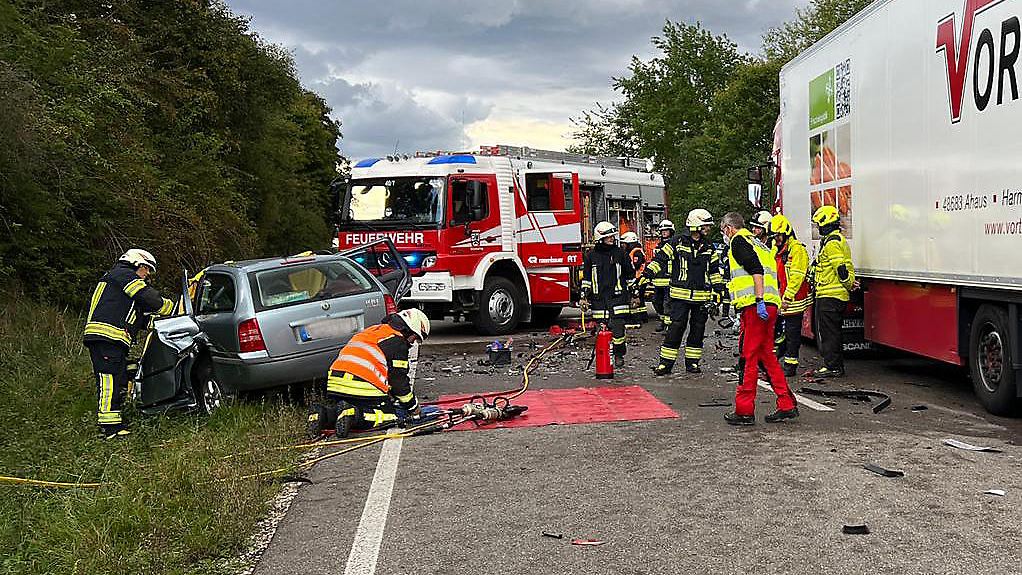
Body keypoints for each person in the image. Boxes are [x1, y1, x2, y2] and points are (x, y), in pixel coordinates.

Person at [84, 249, 175, 438]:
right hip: (107, 337)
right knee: (109, 379)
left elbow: (139, 318)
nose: (147, 275)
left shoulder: (120, 286)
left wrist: (165, 323)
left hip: (110, 339)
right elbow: (148, 298)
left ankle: (116, 420)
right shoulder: (123, 274)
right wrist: (172, 307)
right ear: (137, 263)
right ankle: (109, 428)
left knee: (122, 373)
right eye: (147, 269)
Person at [719, 212, 798, 425]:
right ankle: (786, 403)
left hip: (755, 307)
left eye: (723, 231)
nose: (724, 235)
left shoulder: (739, 241)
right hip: (770, 306)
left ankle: (744, 410)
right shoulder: (760, 244)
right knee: (767, 357)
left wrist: (759, 299)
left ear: (729, 228)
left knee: (748, 357)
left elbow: (755, 269)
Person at [310, 308, 437, 438]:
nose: (412, 343)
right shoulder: (397, 342)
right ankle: (354, 414)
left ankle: (323, 414)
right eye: (415, 338)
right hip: (360, 385)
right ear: (410, 329)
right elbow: (399, 383)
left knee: (342, 411)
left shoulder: (375, 331)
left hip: (335, 383)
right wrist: (413, 407)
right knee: (390, 416)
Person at [643, 209, 724, 375]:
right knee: (675, 329)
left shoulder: (708, 246)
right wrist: (647, 274)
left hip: (702, 298)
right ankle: (665, 364)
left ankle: (692, 363)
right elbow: (660, 260)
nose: (708, 228)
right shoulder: (676, 242)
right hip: (679, 297)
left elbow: (714, 271)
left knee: (697, 331)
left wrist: (719, 289)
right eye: (705, 225)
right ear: (696, 225)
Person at [581, 221, 633, 368]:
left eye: (612, 236)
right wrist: (584, 296)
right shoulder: (591, 256)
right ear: (600, 238)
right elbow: (586, 279)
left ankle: (618, 355)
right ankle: (604, 357)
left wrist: (634, 294)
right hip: (599, 299)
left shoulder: (620, 253)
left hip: (618, 297)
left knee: (618, 328)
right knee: (602, 329)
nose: (612, 239)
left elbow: (629, 274)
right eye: (608, 236)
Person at [811, 205, 856, 378]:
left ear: (826, 223)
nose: (818, 228)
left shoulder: (832, 243)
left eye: (819, 224)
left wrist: (848, 284)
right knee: (832, 332)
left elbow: (841, 269)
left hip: (830, 295)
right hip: (832, 294)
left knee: (829, 333)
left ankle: (833, 367)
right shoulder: (835, 239)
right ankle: (834, 365)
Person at [771, 214, 811, 377]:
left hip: (793, 300)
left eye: (778, 235)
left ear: (787, 233)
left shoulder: (797, 250)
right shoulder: (776, 249)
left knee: (792, 333)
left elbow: (796, 277)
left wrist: (787, 297)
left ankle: (790, 364)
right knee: (776, 331)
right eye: (774, 236)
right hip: (780, 298)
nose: (776, 238)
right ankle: (776, 356)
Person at [651, 219, 676, 331]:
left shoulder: (674, 245)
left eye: (666, 230)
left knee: (668, 304)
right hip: (658, 280)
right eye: (662, 231)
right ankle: (662, 320)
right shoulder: (658, 246)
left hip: (669, 279)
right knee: (656, 301)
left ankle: (668, 326)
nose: (664, 232)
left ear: (671, 231)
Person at [620, 231, 647, 328]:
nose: (623, 246)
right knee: (639, 299)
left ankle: (637, 318)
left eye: (624, 244)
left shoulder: (636, 252)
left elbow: (636, 264)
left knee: (636, 298)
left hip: (638, 278)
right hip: (636, 278)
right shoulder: (633, 251)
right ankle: (643, 317)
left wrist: (627, 266)